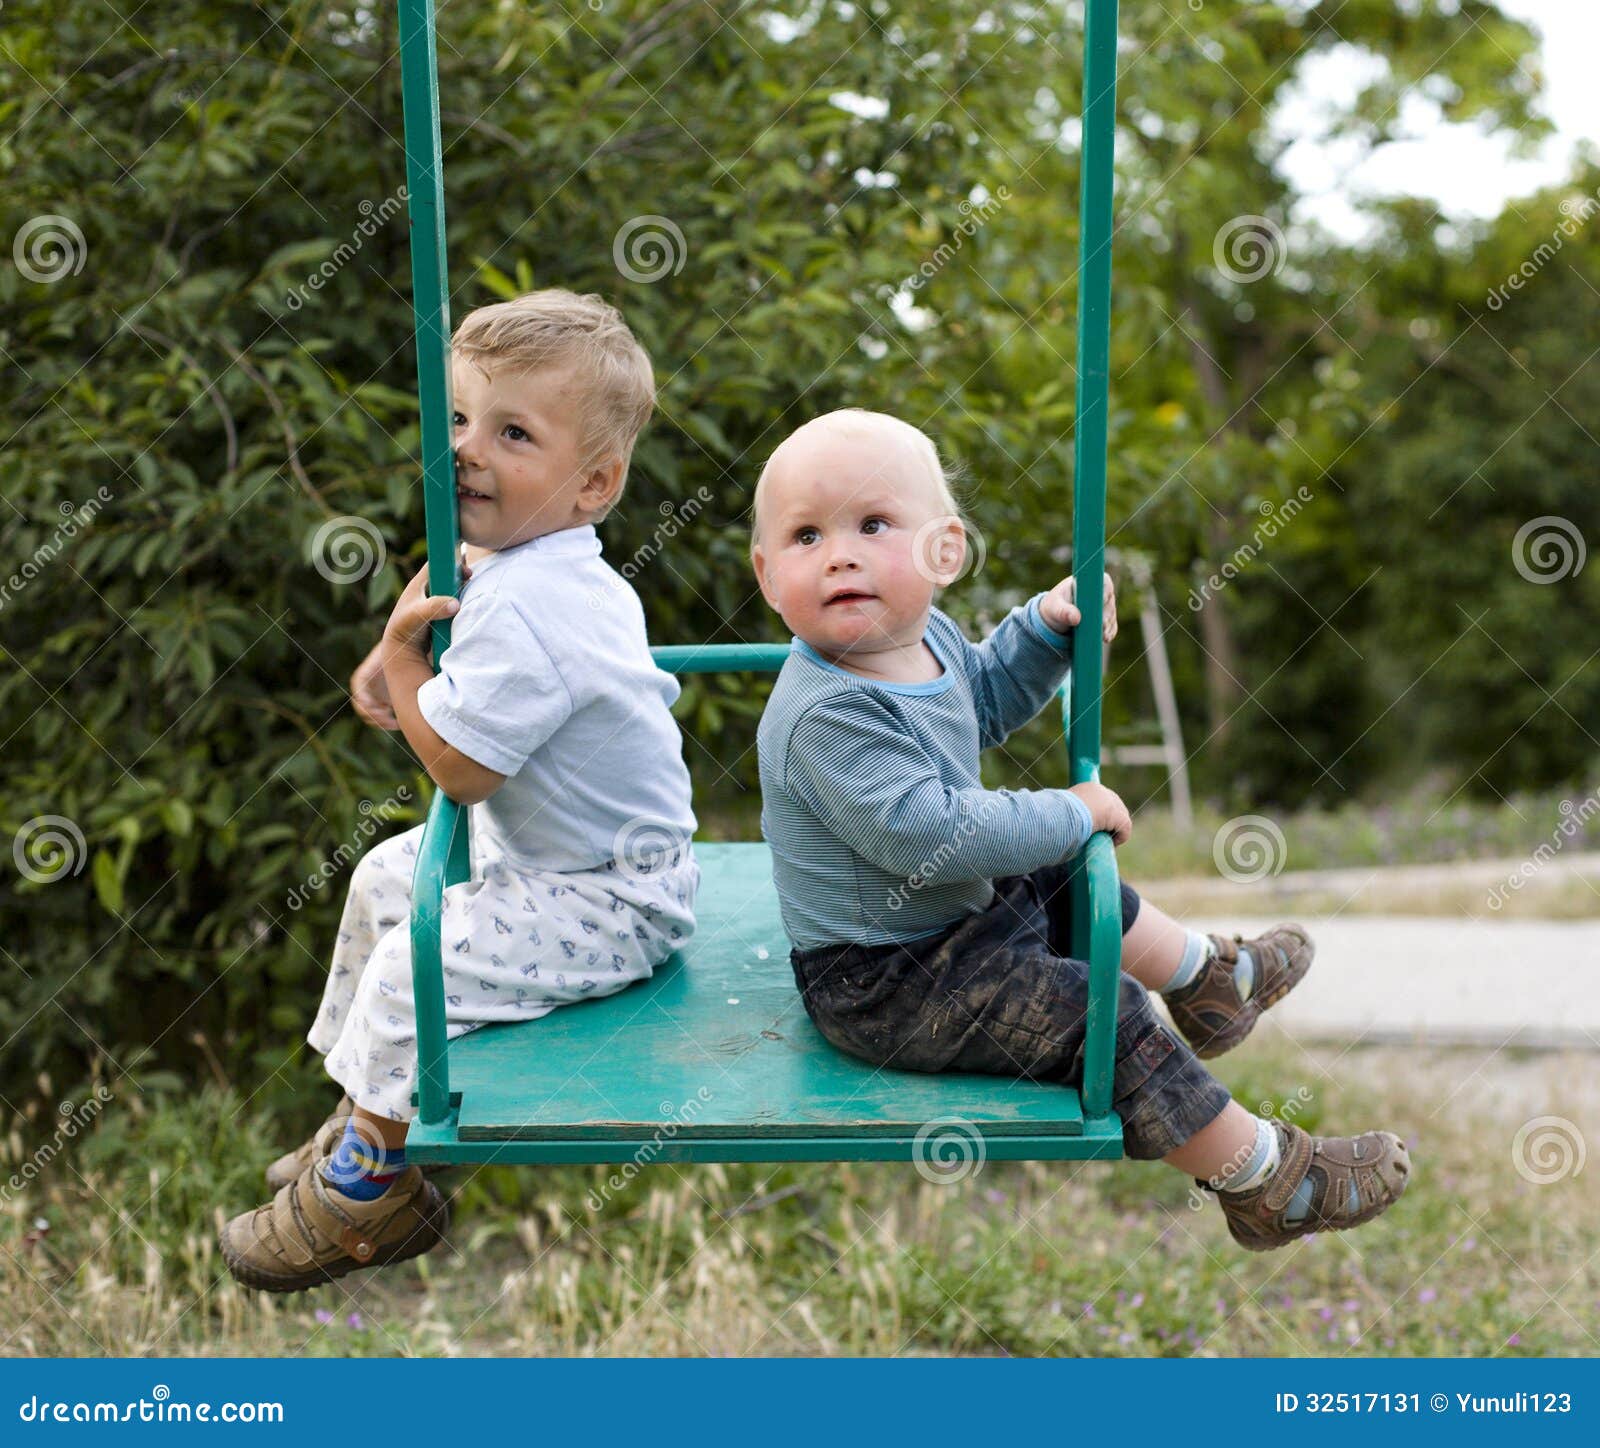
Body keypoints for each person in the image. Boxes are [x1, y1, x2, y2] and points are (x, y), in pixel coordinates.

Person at [750, 408, 1410, 1251]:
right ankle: (1269, 1180)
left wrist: (1043, 633)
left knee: (1059, 879)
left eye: (872, 524)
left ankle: (1208, 979)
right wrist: (1071, 810)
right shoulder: (826, 714)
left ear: (945, 552)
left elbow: (984, 698)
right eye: (806, 535)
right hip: (886, 983)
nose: (839, 553)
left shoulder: (927, 640)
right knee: (1103, 1012)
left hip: (950, 922)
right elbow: (930, 834)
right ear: (768, 576)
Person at [221, 290, 698, 1291]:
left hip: (609, 899)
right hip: (549, 861)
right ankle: (364, 1113)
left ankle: (369, 1193)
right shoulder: (514, 555)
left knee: (415, 967)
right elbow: (445, 590)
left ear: (594, 482)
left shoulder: (538, 606)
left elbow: (463, 771)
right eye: (460, 419)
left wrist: (405, 671)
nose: (467, 450)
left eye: (513, 434)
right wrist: (392, 654)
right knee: (382, 879)